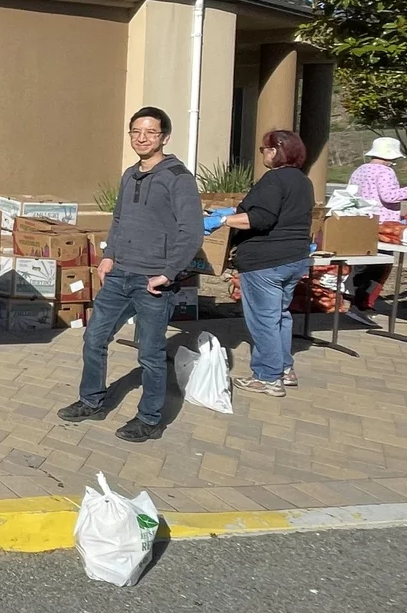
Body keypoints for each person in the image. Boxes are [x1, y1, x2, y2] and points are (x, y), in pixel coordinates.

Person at [58, 107, 203, 442]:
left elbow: (192, 232)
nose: (142, 138)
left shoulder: (178, 178)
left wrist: (168, 273)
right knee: (94, 339)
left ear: (165, 137)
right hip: (120, 275)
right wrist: (109, 256)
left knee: (150, 355)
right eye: (136, 131)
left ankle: (150, 419)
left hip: (153, 283)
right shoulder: (129, 174)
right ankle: (91, 401)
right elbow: (120, 219)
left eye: (150, 132)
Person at [206, 130, 314, 397]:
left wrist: (221, 220)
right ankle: (284, 368)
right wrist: (232, 212)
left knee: (264, 320)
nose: (263, 153)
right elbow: (273, 211)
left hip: (265, 262)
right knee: (280, 315)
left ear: (275, 151)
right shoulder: (303, 181)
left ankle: (267, 377)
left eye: (264, 149)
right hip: (294, 258)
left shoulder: (274, 179)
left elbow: (260, 218)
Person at [345, 137, 407, 311]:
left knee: (363, 262)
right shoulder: (385, 172)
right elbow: (389, 196)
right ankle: (362, 301)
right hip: (383, 224)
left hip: (361, 221)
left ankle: (352, 296)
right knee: (382, 265)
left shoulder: (359, 170)